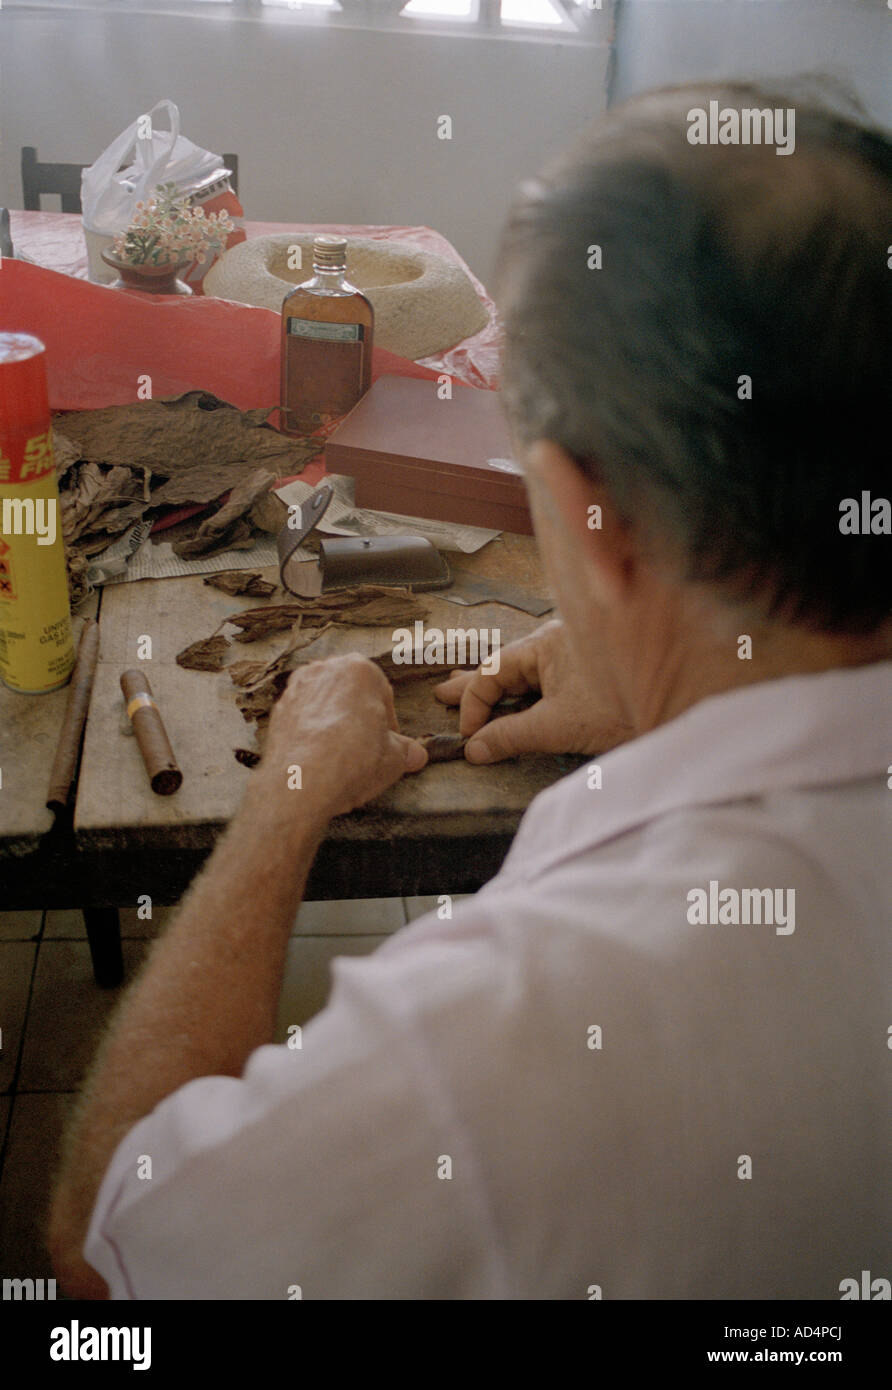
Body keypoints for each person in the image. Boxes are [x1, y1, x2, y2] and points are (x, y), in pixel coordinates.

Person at [50, 83, 892, 1299]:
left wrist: (285, 803)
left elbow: (109, 1246)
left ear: (587, 520)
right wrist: (673, 682)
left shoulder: (480, 1049)